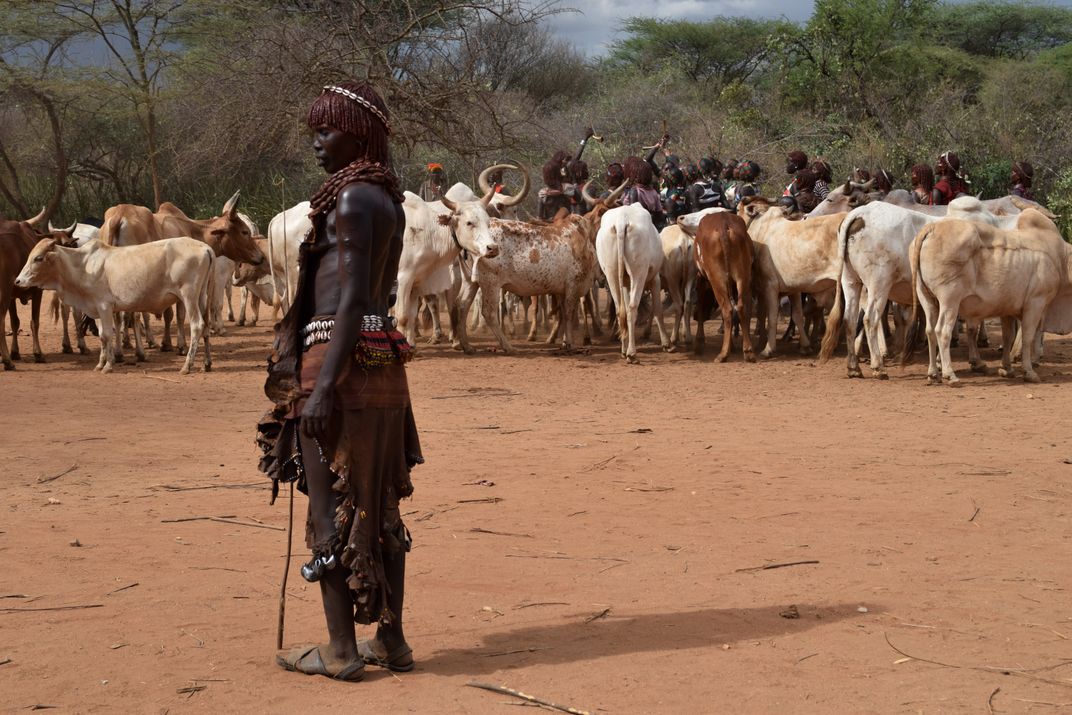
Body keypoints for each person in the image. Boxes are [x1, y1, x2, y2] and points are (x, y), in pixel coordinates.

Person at [260, 81, 422, 682]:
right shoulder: (389, 199)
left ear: (357, 132)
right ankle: (393, 641)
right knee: (379, 501)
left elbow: (352, 296)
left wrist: (322, 387)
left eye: (325, 132)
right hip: (383, 359)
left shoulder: (352, 197)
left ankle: (341, 651)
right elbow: (375, 298)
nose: (317, 145)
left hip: (336, 359)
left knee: (330, 506)